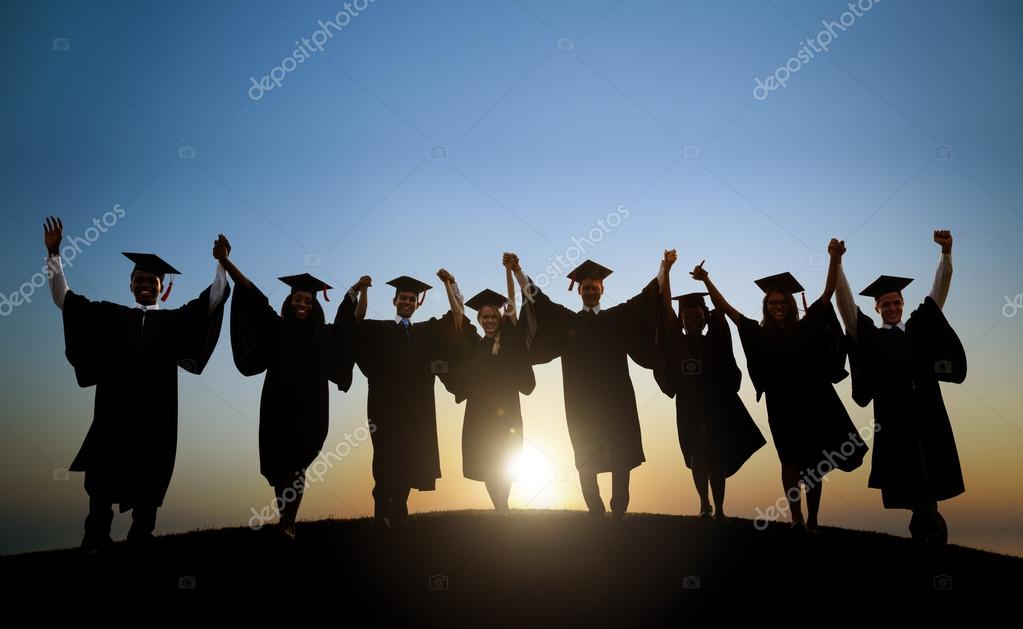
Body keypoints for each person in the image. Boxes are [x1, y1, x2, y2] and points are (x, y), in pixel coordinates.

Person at [44, 217, 229, 551]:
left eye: (151, 281)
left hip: (155, 420)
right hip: (112, 417)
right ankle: (95, 539)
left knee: (150, 480)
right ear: (130, 285)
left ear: (162, 287)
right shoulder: (111, 316)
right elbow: (64, 300)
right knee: (102, 480)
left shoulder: (173, 321)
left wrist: (222, 263)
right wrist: (54, 254)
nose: (145, 284)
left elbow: (212, 301)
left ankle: (141, 538)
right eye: (139, 280)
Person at [692, 244, 866, 533]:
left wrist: (834, 258)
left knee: (814, 463)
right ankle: (796, 518)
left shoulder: (807, 327)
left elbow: (827, 294)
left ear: (790, 304)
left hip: (813, 402)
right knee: (789, 460)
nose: (778, 306)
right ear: (766, 306)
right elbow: (726, 309)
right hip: (781, 406)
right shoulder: (757, 334)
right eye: (772, 303)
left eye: (782, 301)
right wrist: (706, 280)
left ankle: (813, 519)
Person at [508, 252, 666, 519]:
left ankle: (619, 509)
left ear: (602, 289)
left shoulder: (617, 318)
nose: (590, 292)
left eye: (594, 287)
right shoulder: (568, 321)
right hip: (581, 403)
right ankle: (595, 509)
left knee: (621, 452)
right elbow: (540, 301)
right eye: (586, 288)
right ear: (579, 291)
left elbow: (644, 300)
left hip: (617, 400)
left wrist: (664, 268)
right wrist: (518, 271)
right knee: (585, 452)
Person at [219, 239, 357, 540]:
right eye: (298, 299)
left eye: (308, 300)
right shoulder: (276, 327)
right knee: (279, 466)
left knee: (296, 465)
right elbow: (252, 296)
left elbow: (346, 327)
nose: (303, 304)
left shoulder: (323, 335)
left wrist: (353, 293)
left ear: (315, 304)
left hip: (310, 409)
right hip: (276, 406)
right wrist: (227, 263)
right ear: (290, 300)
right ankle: (285, 517)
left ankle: (288, 521)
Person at [833, 231, 965, 546]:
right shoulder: (870, 337)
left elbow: (938, 291)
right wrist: (837, 265)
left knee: (926, 473)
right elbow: (846, 306)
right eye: (885, 304)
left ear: (903, 304)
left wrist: (946, 253)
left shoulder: (918, 328)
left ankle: (926, 532)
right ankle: (931, 532)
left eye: (896, 302)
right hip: (894, 421)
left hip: (929, 415)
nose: (892, 308)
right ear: (877, 308)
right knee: (914, 475)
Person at [349, 270, 473, 527]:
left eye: (411, 299)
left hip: (416, 408)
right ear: (394, 301)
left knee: (408, 455)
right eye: (402, 298)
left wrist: (450, 284)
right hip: (383, 406)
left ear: (418, 304)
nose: (406, 302)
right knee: (384, 456)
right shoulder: (380, 330)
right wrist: (362, 290)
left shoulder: (426, 331)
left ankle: (399, 509)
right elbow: (355, 322)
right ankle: (381, 510)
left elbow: (457, 316)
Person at [653, 251, 765, 521]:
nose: (693, 319)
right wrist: (666, 270)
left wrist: (706, 281)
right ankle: (704, 503)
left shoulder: (717, 337)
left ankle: (720, 508)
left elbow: (721, 307)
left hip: (717, 406)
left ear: (705, 316)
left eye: (698, 315)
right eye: (687, 316)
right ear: (681, 320)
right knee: (696, 456)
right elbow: (666, 306)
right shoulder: (676, 340)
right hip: (689, 407)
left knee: (716, 457)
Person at [442, 260, 536, 513]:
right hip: (480, 413)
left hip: (507, 412)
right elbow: (458, 316)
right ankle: (502, 507)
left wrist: (509, 270)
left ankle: (502, 508)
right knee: (487, 464)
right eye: (485, 317)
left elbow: (513, 305)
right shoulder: (474, 345)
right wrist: (450, 285)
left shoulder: (510, 342)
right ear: (480, 319)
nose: (490, 320)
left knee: (505, 461)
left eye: (494, 316)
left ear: (499, 318)